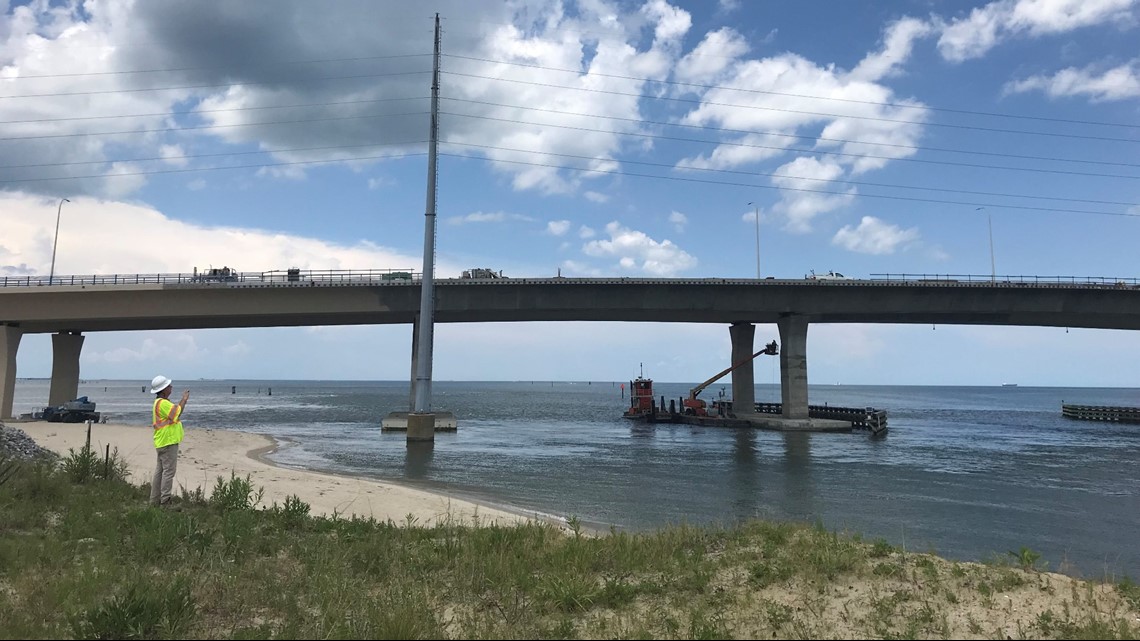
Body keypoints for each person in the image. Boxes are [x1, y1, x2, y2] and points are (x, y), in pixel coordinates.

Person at [149, 374, 189, 508]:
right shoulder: (163, 403)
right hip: (167, 441)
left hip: (162, 441)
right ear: (164, 390)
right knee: (169, 471)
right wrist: (184, 399)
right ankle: (165, 501)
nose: (171, 387)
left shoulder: (158, 403)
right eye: (169, 386)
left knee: (160, 471)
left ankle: (154, 500)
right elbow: (177, 412)